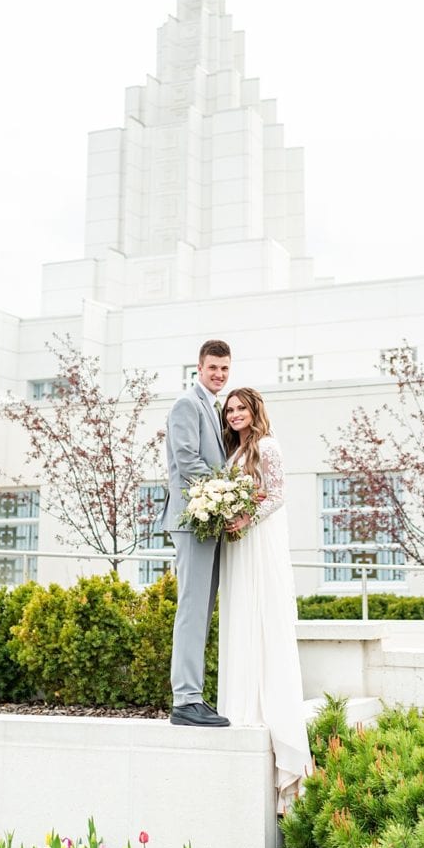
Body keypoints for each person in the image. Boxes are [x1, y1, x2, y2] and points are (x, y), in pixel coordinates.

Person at [216, 388, 312, 812]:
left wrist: (245, 517)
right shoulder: (233, 452)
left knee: (262, 616)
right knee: (239, 616)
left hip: (257, 540)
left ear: (255, 411)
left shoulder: (267, 447)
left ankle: (273, 720)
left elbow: (277, 495)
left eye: (241, 408)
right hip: (238, 543)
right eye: (230, 409)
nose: (235, 414)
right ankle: (240, 702)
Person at [164, 339, 233, 727]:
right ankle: (186, 699)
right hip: (194, 521)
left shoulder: (215, 406)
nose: (219, 375)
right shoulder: (186, 405)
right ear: (199, 367)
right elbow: (187, 460)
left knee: (203, 610)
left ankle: (195, 695)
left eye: (224, 369)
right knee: (192, 609)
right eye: (213, 368)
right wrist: (227, 495)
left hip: (210, 521)